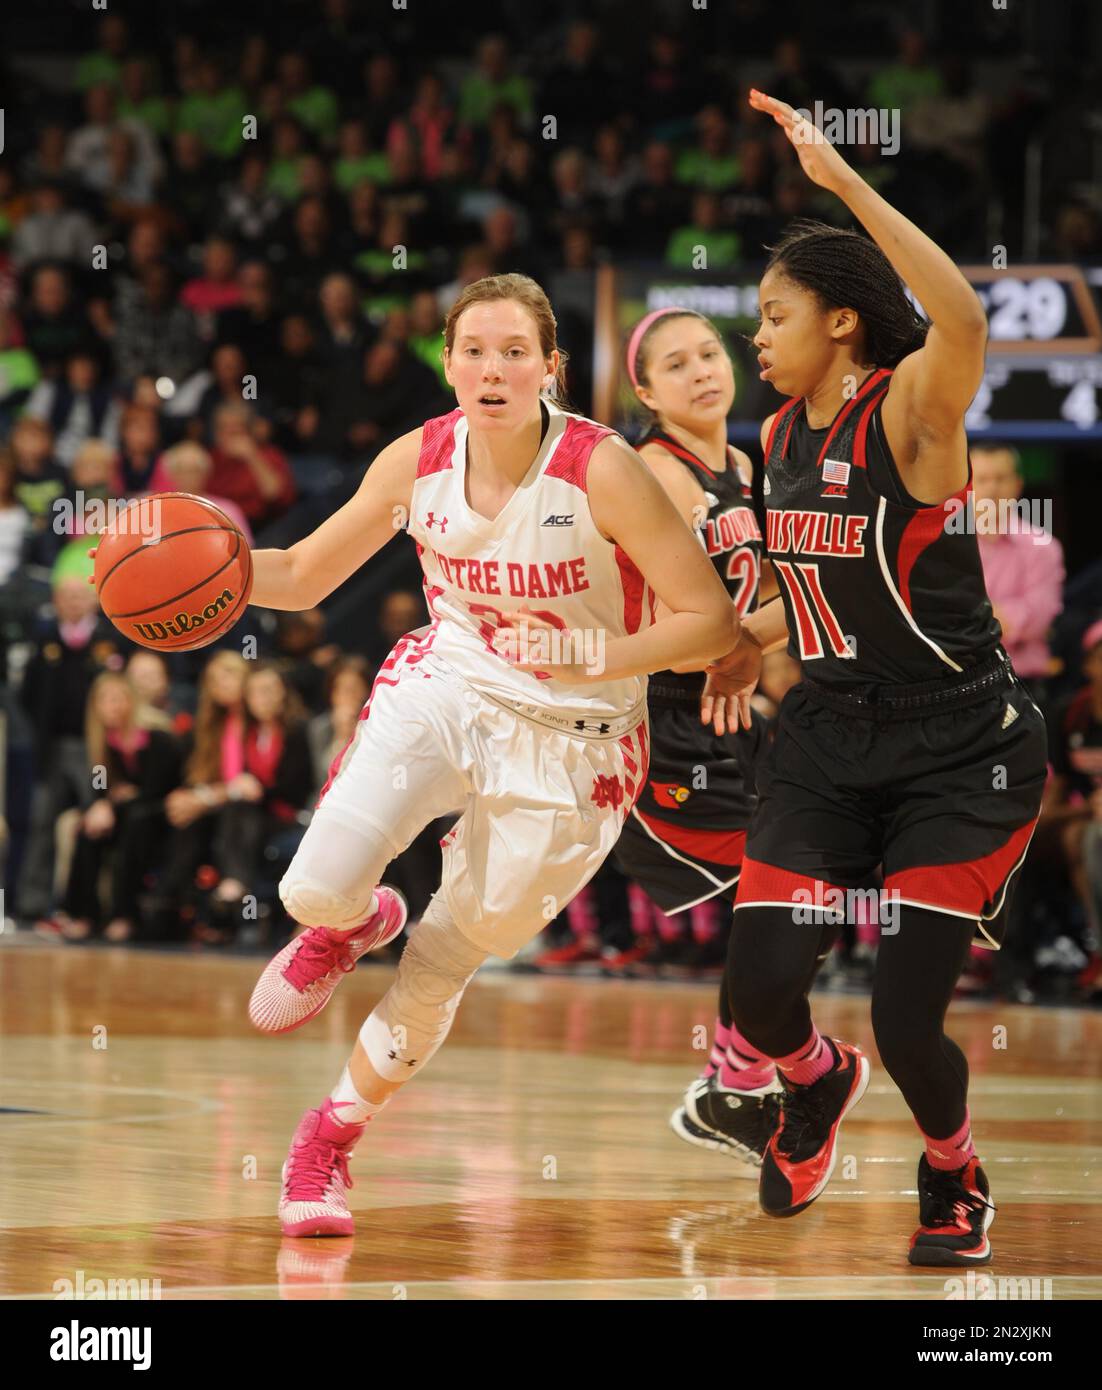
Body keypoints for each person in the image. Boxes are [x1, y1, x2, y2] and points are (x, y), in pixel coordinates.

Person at [244, 272, 740, 1236]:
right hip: (453, 687)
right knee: (310, 891)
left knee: (442, 963)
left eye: (516, 351)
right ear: (448, 365)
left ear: (551, 367)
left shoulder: (603, 469)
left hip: (579, 745)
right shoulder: (416, 457)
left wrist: (591, 653)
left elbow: (710, 622)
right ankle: (350, 924)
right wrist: (207, 574)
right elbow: (303, 576)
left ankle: (328, 1142)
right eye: (474, 350)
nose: (493, 368)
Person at [703, 91, 1048, 1266]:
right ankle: (812, 1082)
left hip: (960, 746)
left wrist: (841, 183)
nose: (756, 336)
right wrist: (727, 637)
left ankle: (952, 1173)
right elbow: (799, 603)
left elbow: (955, 311)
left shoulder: (907, 414)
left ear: (843, 322)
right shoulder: (777, 443)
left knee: (910, 1019)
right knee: (756, 988)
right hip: (830, 735)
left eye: (774, 314)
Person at [600, 305, 783, 1167]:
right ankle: (737, 1077)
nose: (703, 370)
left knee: (783, 890)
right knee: (775, 889)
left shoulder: (744, 464)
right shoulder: (658, 473)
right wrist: (740, 646)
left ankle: (736, 1079)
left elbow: (751, 613)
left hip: (728, 705)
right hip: (664, 712)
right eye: (676, 364)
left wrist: (751, 651)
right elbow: (693, 615)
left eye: (710, 352)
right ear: (646, 391)